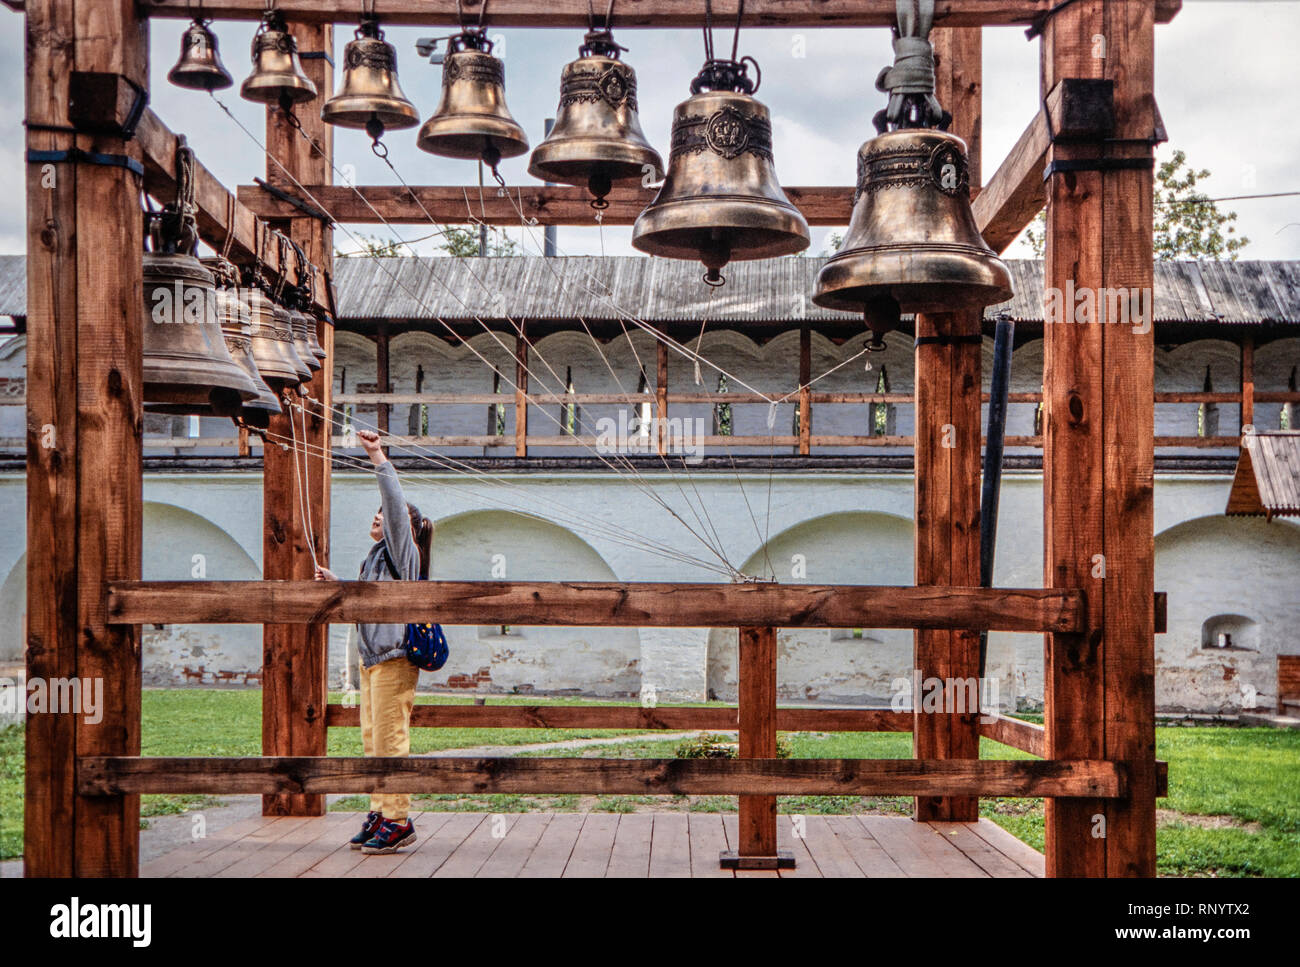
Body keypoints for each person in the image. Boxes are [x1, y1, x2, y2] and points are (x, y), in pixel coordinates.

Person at [315, 429, 433, 855]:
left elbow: (397, 512)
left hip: (394, 659)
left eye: (384, 515)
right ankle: (382, 810)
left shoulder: (404, 553)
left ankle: (398, 820)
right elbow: (368, 601)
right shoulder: (376, 561)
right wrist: (339, 584)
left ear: (402, 525)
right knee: (372, 739)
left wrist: (377, 456)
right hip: (374, 659)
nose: (377, 517)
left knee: (390, 738)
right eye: (377, 514)